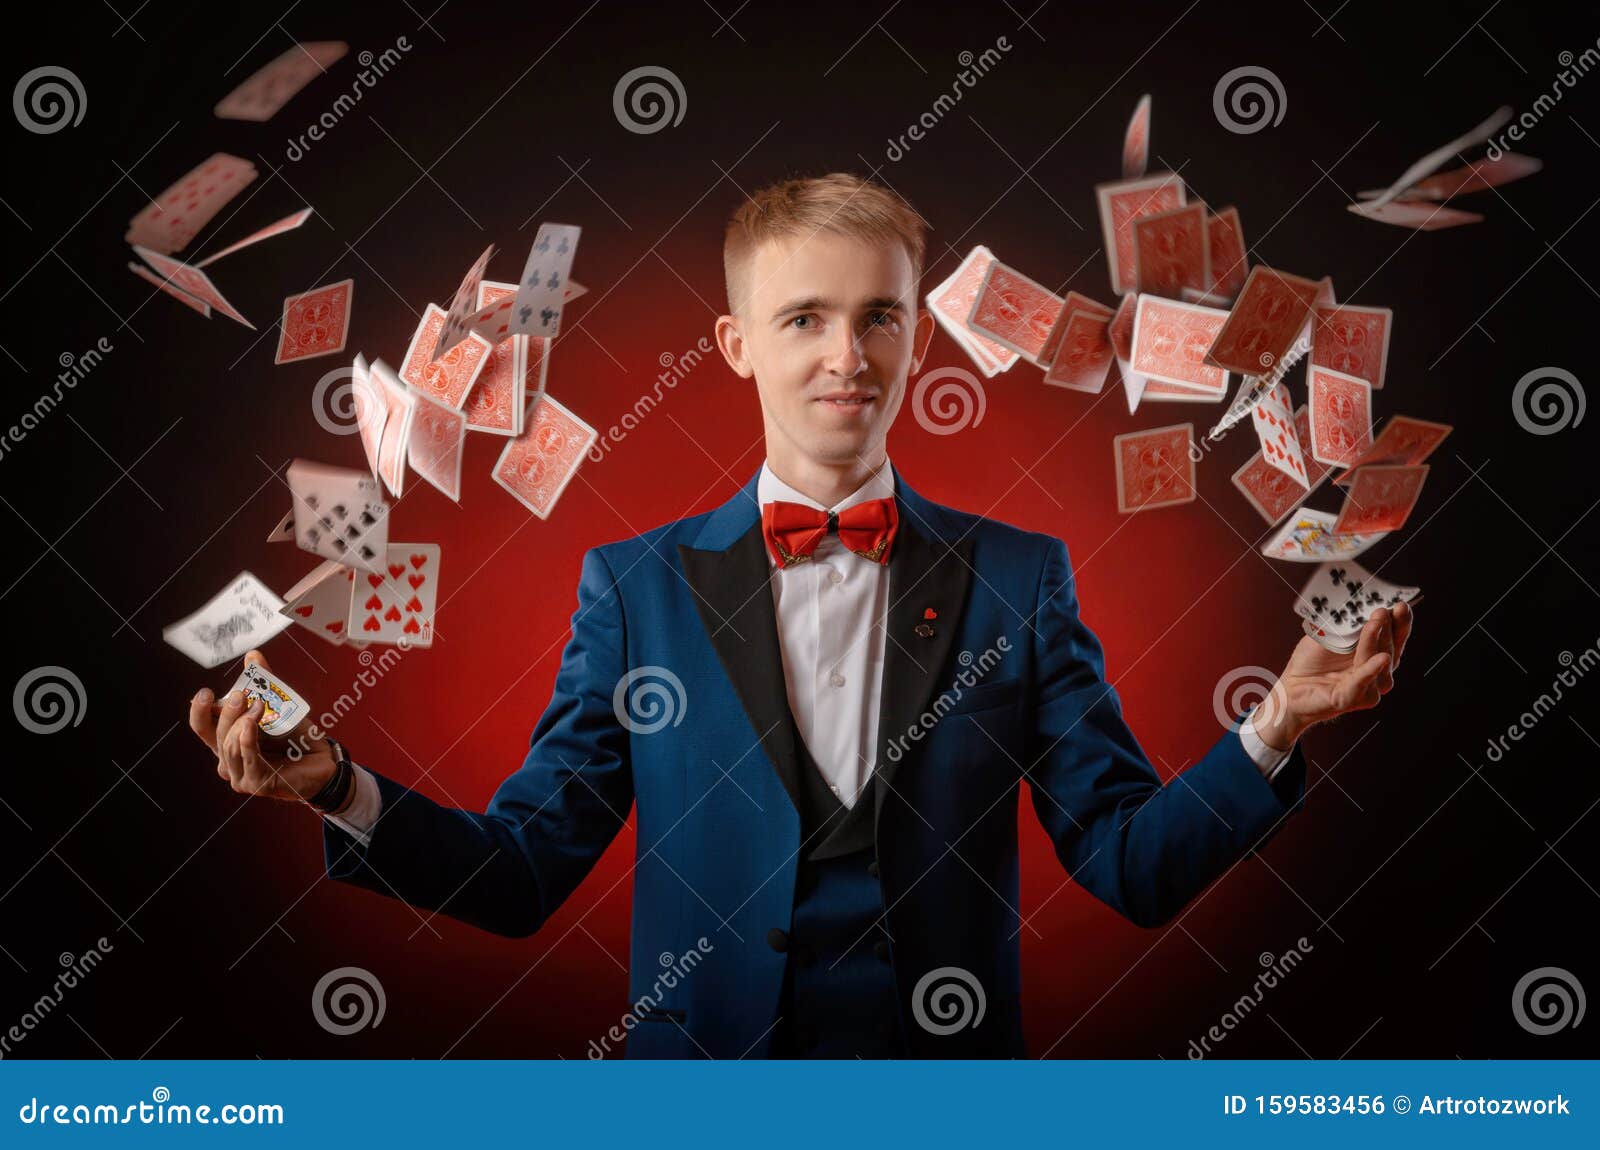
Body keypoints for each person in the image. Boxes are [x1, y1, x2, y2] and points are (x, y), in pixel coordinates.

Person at [187, 173, 1413, 1058]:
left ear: (918, 332)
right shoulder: (636, 586)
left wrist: (1276, 725)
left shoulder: (1021, 578)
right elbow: (521, 875)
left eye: (879, 315)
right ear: (734, 344)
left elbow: (1130, 866)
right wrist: (338, 785)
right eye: (803, 318)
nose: (849, 355)